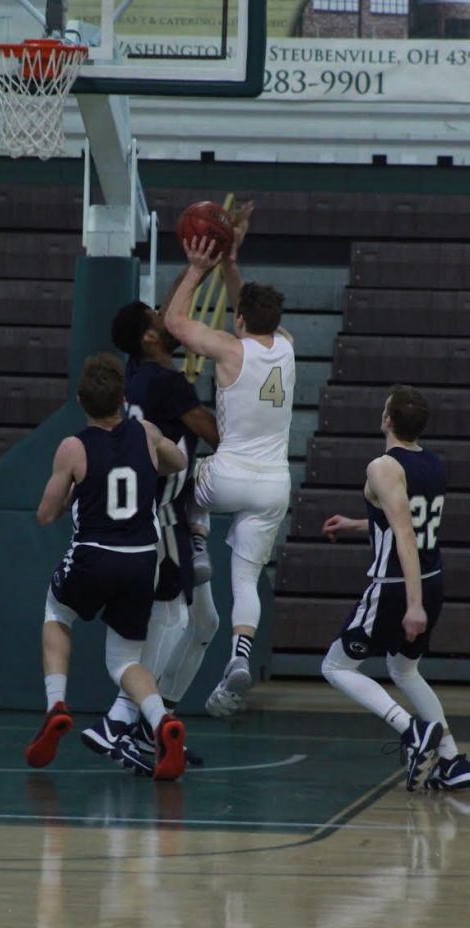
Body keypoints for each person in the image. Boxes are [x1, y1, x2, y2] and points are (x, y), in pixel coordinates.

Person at [25, 352, 189, 781]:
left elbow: (45, 514)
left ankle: (56, 704)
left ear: (83, 401)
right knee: (124, 660)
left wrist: (70, 494)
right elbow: (179, 462)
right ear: (122, 399)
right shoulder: (146, 432)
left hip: (95, 552)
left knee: (57, 614)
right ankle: (159, 721)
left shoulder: (74, 447)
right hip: (141, 559)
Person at [80, 299, 220, 771]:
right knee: (174, 621)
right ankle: (124, 721)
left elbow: (164, 320)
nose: (169, 317)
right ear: (148, 337)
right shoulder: (165, 382)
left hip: (158, 513)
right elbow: (216, 434)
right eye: (158, 317)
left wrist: (203, 264)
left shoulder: (136, 373)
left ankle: (157, 720)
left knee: (204, 623)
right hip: (159, 516)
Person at [165, 237, 295, 717]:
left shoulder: (229, 350)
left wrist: (199, 269)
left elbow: (175, 323)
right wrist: (234, 266)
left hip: (227, 474)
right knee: (246, 579)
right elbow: (255, 313)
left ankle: (197, 544)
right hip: (275, 485)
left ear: (238, 320)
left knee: (186, 475)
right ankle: (239, 656)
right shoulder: (286, 345)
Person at [321, 385, 470, 792]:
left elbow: (404, 532)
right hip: (432, 578)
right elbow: (403, 516)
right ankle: (453, 760)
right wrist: (355, 524)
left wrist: (414, 605)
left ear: (387, 420)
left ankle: (411, 729)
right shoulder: (433, 463)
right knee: (404, 670)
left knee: (335, 667)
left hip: (396, 586)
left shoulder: (382, 467)